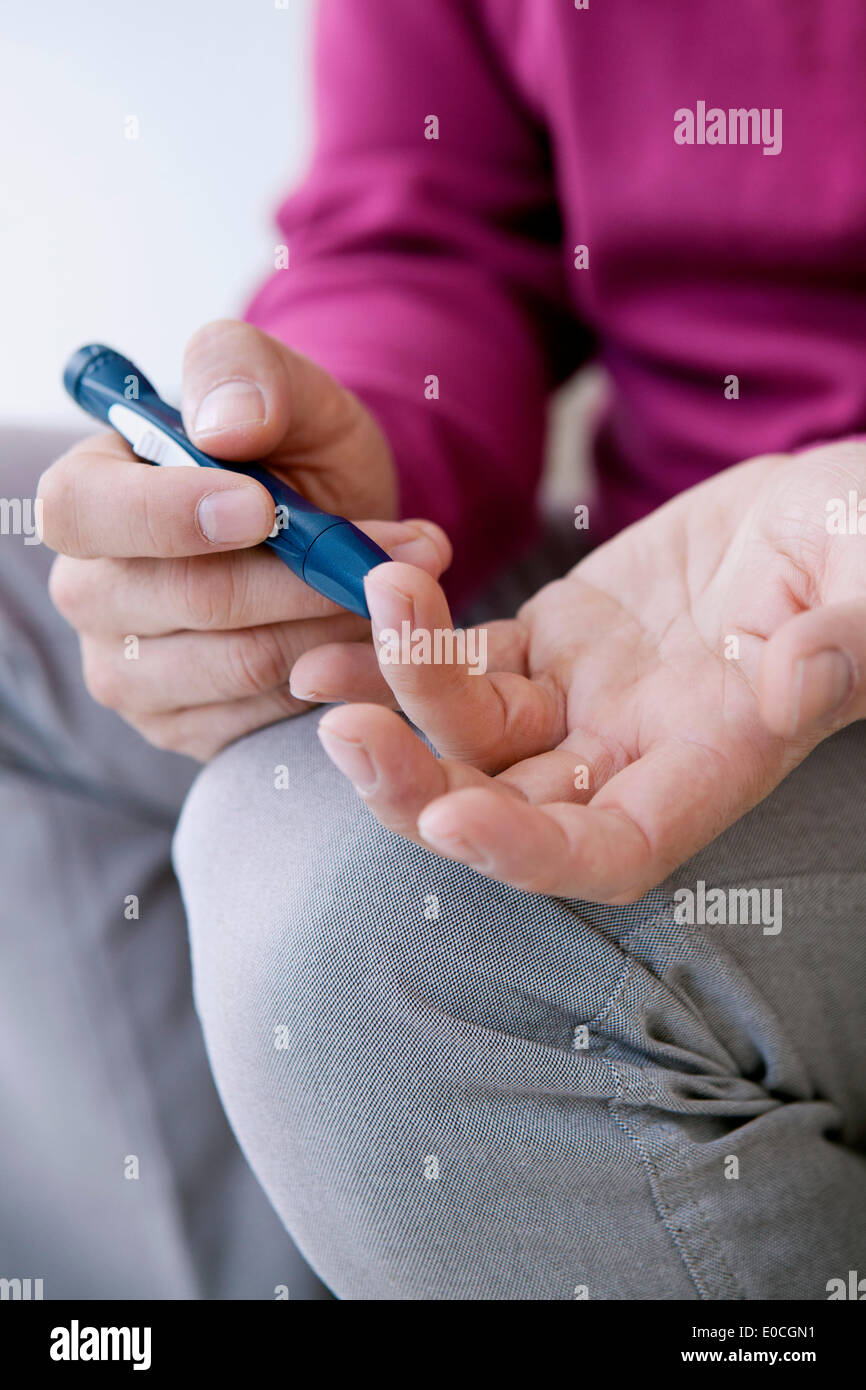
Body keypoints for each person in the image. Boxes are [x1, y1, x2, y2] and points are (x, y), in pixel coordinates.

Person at [15, 0, 866, 1297]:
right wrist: (350, 438)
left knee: (364, 911)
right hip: (657, 571)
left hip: (813, 593)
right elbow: (432, 228)